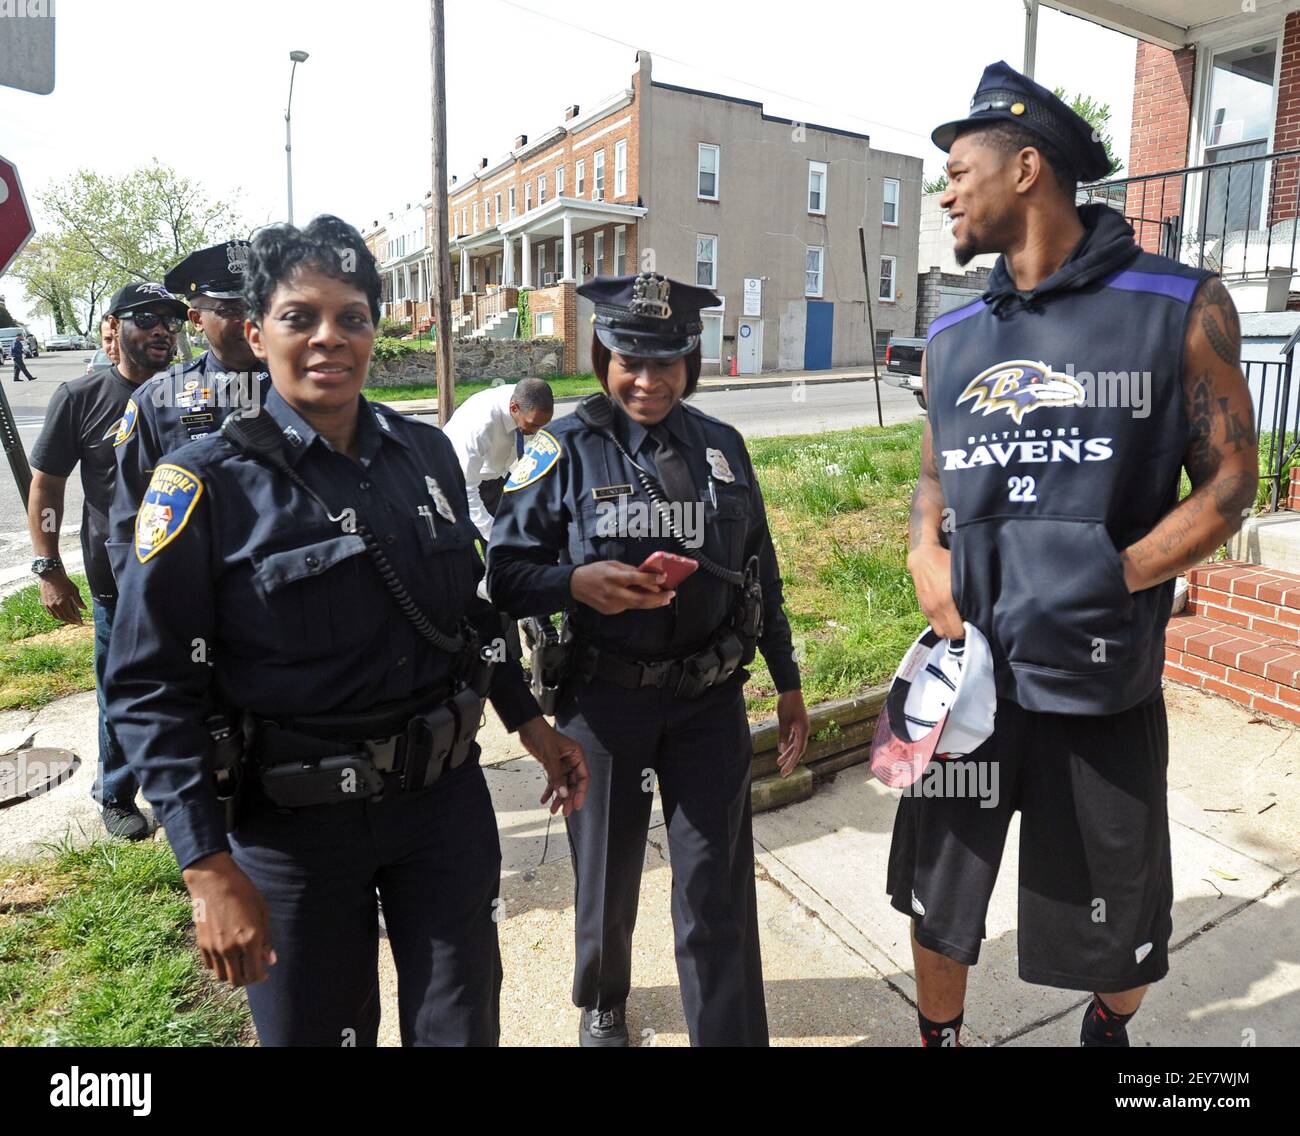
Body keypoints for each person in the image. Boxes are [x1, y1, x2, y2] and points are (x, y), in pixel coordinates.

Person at [105, 215, 588, 1047]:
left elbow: (466, 612)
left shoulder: (426, 455)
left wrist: (530, 720)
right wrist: (205, 866)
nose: (330, 337)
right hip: (294, 836)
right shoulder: (203, 485)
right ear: (258, 334)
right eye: (301, 317)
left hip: (441, 808)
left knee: (461, 1029)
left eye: (353, 316)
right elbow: (149, 687)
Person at [893, 61, 1257, 1048]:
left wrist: (1112, 576)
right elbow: (935, 469)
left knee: (1122, 924)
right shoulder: (956, 328)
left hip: (1100, 683)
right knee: (938, 897)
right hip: (968, 683)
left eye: (958, 170)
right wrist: (924, 548)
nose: (946, 192)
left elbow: (1229, 482)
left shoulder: (1178, 304)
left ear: (1024, 169)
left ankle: (1105, 1026)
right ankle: (940, 1039)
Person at [487, 271, 810, 1047]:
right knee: (605, 873)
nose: (647, 379)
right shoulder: (560, 448)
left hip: (708, 701)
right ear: (603, 356)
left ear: (688, 363)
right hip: (606, 702)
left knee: (716, 885)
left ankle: (727, 1033)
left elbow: (757, 571)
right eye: (630, 359)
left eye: (665, 361)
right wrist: (575, 581)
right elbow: (503, 575)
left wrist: (788, 679)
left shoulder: (722, 448)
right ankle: (604, 998)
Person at [26, 282, 188, 841]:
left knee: (190, 685)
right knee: (121, 687)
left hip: (190, 575)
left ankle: (182, 788)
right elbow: (46, 487)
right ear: (114, 328)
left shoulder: (194, 394)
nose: (163, 330)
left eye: (171, 319)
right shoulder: (80, 396)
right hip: (116, 580)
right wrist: (48, 566)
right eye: (147, 318)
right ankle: (117, 792)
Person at [107, 241, 271, 577]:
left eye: (258, 304)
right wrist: (144, 607)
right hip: (201, 587)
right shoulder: (157, 399)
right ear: (196, 319)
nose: (249, 320)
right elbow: (130, 516)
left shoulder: (306, 387)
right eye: (230, 310)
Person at [443, 379, 554, 542]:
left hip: (496, 476)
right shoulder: (479, 428)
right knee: (469, 547)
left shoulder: (525, 399)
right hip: (455, 483)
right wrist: (492, 533)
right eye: (533, 425)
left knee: (508, 546)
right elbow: (466, 489)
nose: (537, 431)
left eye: (542, 425)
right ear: (514, 408)